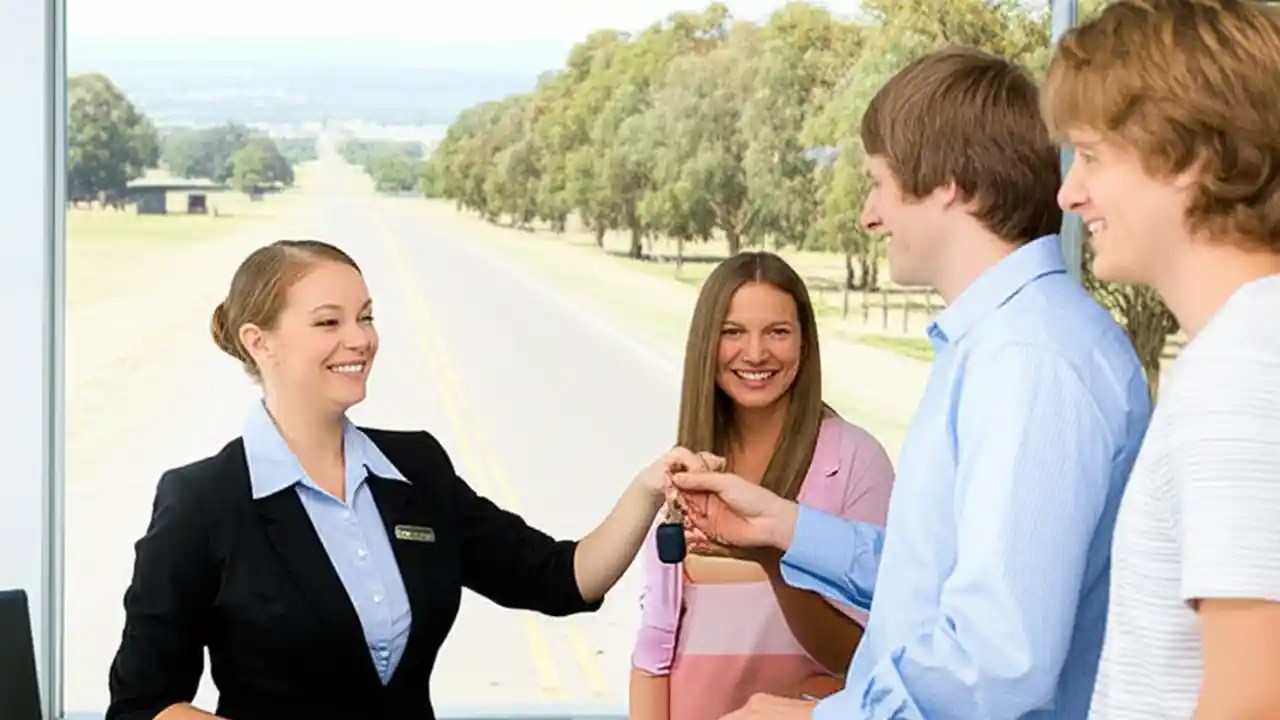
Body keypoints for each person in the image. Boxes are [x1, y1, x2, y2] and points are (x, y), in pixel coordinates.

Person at [670, 47, 1153, 719]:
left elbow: (1000, 661)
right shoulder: (995, 345)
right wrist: (782, 528)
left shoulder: (1029, 361)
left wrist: (819, 719)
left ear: (948, 183)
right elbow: (934, 578)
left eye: (879, 183)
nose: (869, 215)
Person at [105, 239, 706, 720]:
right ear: (259, 343)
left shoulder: (416, 470)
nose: (360, 339)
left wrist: (648, 489)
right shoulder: (202, 502)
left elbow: (557, 579)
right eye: (328, 321)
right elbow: (143, 704)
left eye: (365, 317)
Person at [1041, 1, 1280, 717]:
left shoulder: (1239, 378)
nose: (1068, 190)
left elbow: (1253, 697)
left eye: (1091, 154)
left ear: (1191, 158)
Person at [629, 252, 895, 720]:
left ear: (806, 344)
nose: (755, 353)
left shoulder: (856, 461)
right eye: (733, 332)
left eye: (778, 332)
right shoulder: (689, 465)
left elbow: (869, 658)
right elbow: (654, 650)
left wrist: (775, 562)